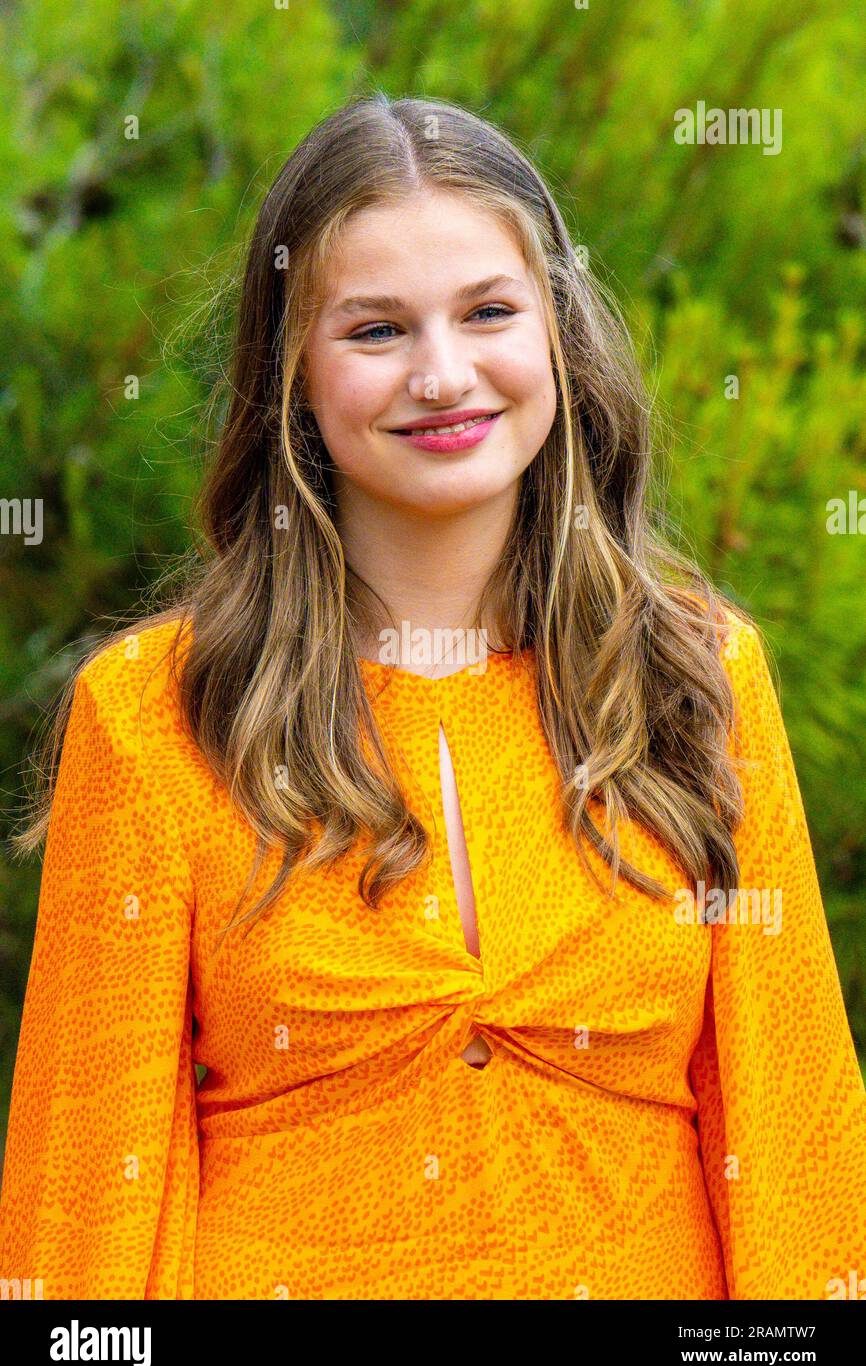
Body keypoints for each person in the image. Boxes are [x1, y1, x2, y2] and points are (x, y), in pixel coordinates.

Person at [1, 93, 864, 1301]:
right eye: (374, 330)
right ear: (291, 372)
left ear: (556, 333)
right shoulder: (152, 715)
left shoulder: (695, 678)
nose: (443, 374)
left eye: (488, 312)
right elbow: (84, 1197)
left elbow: (790, 1139)